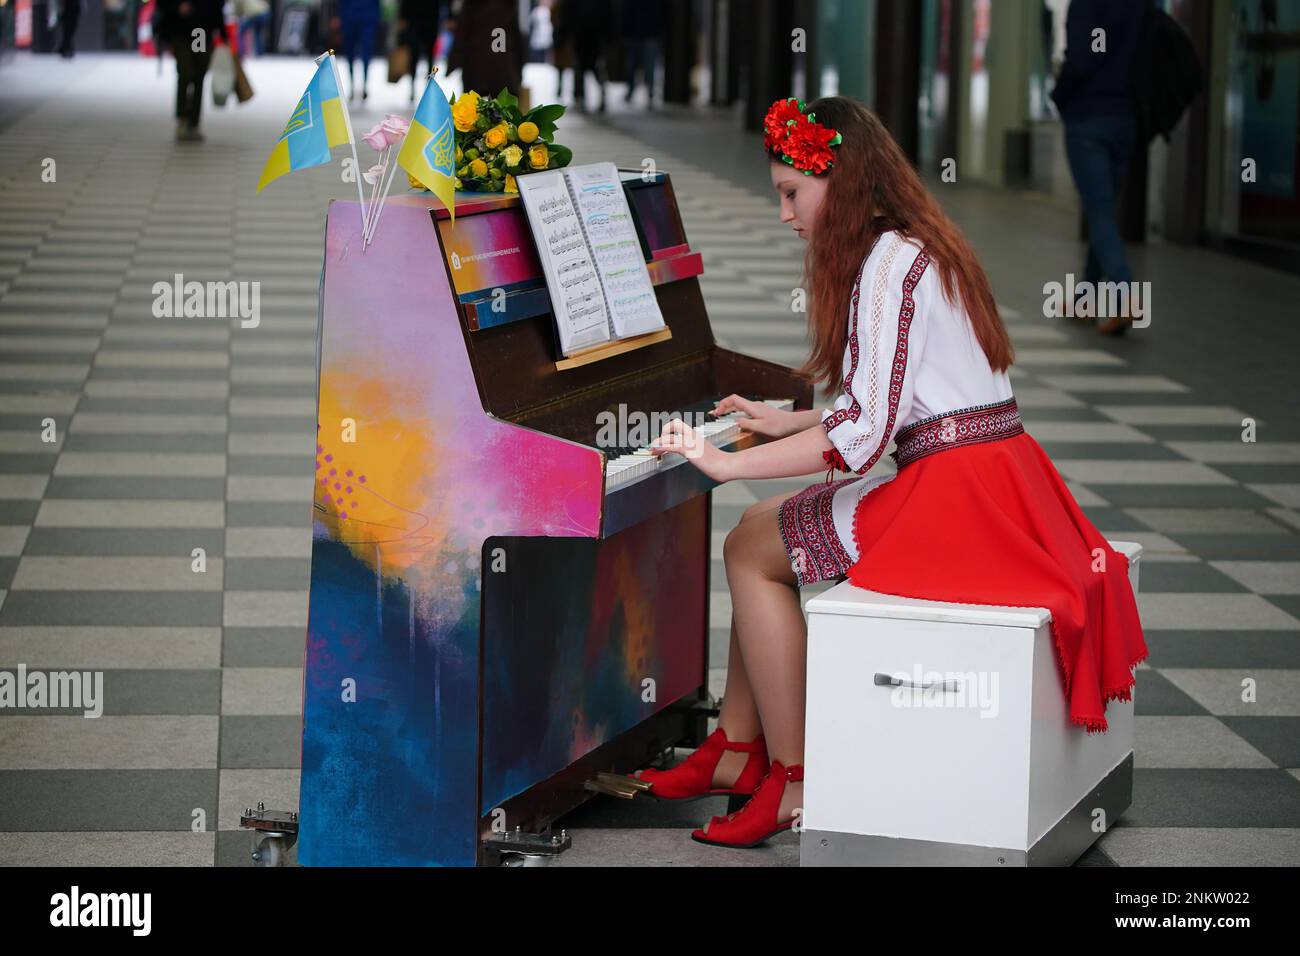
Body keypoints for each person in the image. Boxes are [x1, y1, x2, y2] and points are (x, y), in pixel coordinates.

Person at [636, 96, 1148, 849]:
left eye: (790, 193)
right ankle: (738, 750)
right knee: (756, 530)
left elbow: (865, 437)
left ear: (838, 183)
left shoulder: (885, 266)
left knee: (749, 548)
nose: (784, 213)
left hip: (961, 503)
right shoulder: (914, 244)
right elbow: (897, 402)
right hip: (997, 475)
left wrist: (721, 461)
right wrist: (791, 421)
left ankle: (794, 780)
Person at [1051, 0, 1152, 334]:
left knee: (1100, 212)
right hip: (1126, 119)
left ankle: (1125, 295)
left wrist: (1059, 96)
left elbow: (1079, 61)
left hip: (1088, 119)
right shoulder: (1139, 6)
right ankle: (1087, 300)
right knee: (1103, 208)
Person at [157, 0, 225, 142]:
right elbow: (161, 5)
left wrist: (223, 35)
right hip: (180, 32)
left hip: (201, 33)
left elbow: (217, 6)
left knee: (198, 77)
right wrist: (177, 7)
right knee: (185, 74)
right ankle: (182, 118)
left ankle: (193, 122)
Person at [448, 0, 523, 98]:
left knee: (474, 108)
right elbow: (517, 38)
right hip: (503, 70)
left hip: (476, 69)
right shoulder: (507, 4)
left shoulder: (472, 5)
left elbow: (461, 35)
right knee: (503, 109)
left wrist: (452, 63)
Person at [555, 0, 611, 112]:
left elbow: (568, 14)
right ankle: (584, 96)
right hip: (588, 36)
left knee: (583, 68)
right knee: (588, 68)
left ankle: (581, 97)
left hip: (585, 36)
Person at [620, 0, 664, 107]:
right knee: (632, 65)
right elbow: (627, 12)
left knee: (649, 66)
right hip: (636, 33)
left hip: (649, 33)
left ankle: (649, 94)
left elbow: (661, 13)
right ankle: (632, 91)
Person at [399, 0, 444, 104]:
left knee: (427, 58)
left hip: (428, 21)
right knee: (417, 57)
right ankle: (414, 87)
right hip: (418, 21)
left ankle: (425, 87)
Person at [339, 0, 382, 101]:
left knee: (365, 54)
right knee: (350, 54)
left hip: (365, 18)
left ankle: (364, 85)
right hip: (353, 17)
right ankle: (353, 85)